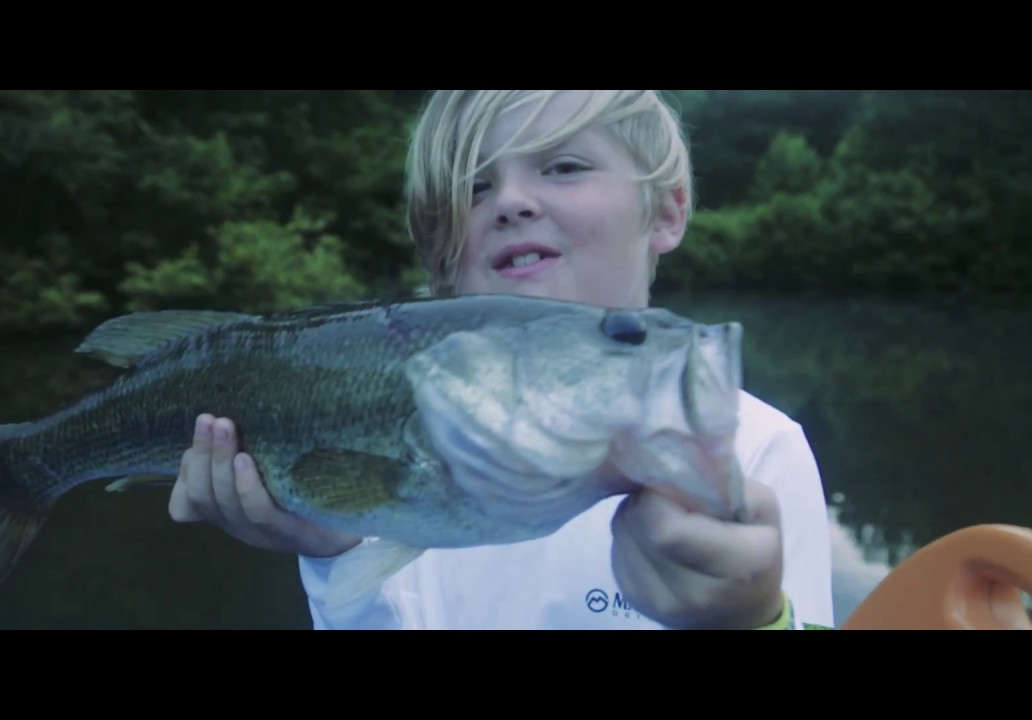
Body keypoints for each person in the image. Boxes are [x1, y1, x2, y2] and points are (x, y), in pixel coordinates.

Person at [167, 90, 835, 630]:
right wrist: (335, 554)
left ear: (664, 209)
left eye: (564, 166)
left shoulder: (761, 451)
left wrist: (749, 619)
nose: (511, 201)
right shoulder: (415, 441)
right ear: (443, 252)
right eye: (477, 187)